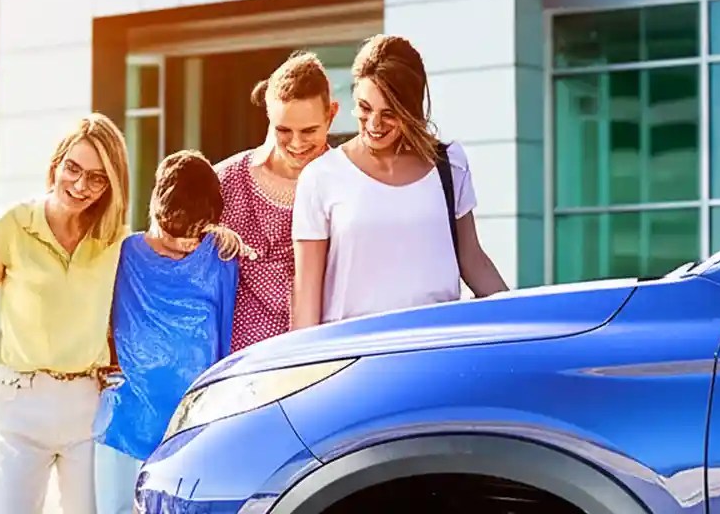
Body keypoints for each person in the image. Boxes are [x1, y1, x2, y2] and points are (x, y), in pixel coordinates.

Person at [0, 113, 130, 514]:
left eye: (97, 178)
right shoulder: (11, 225)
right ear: (56, 164)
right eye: (73, 168)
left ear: (112, 185)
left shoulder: (116, 238)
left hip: (88, 406)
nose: (81, 185)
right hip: (20, 405)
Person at [290, 34, 509, 329]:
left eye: (389, 113)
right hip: (352, 357)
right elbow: (306, 296)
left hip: (434, 348)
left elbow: (473, 260)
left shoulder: (448, 165)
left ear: (411, 109)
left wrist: (525, 323)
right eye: (364, 108)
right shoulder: (321, 177)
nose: (374, 125)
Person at [93, 150, 250, 514]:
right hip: (126, 422)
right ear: (156, 207)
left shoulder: (219, 257)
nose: (184, 243)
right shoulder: (124, 253)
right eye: (175, 229)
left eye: (197, 231)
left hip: (191, 425)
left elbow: (226, 337)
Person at [215, 51, 339, 351]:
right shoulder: (224, 181)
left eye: (309, 131)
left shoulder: (345, 184)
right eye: (283, 130)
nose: (296, 143)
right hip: (234, 369)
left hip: (317, 361)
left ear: (332, 114)